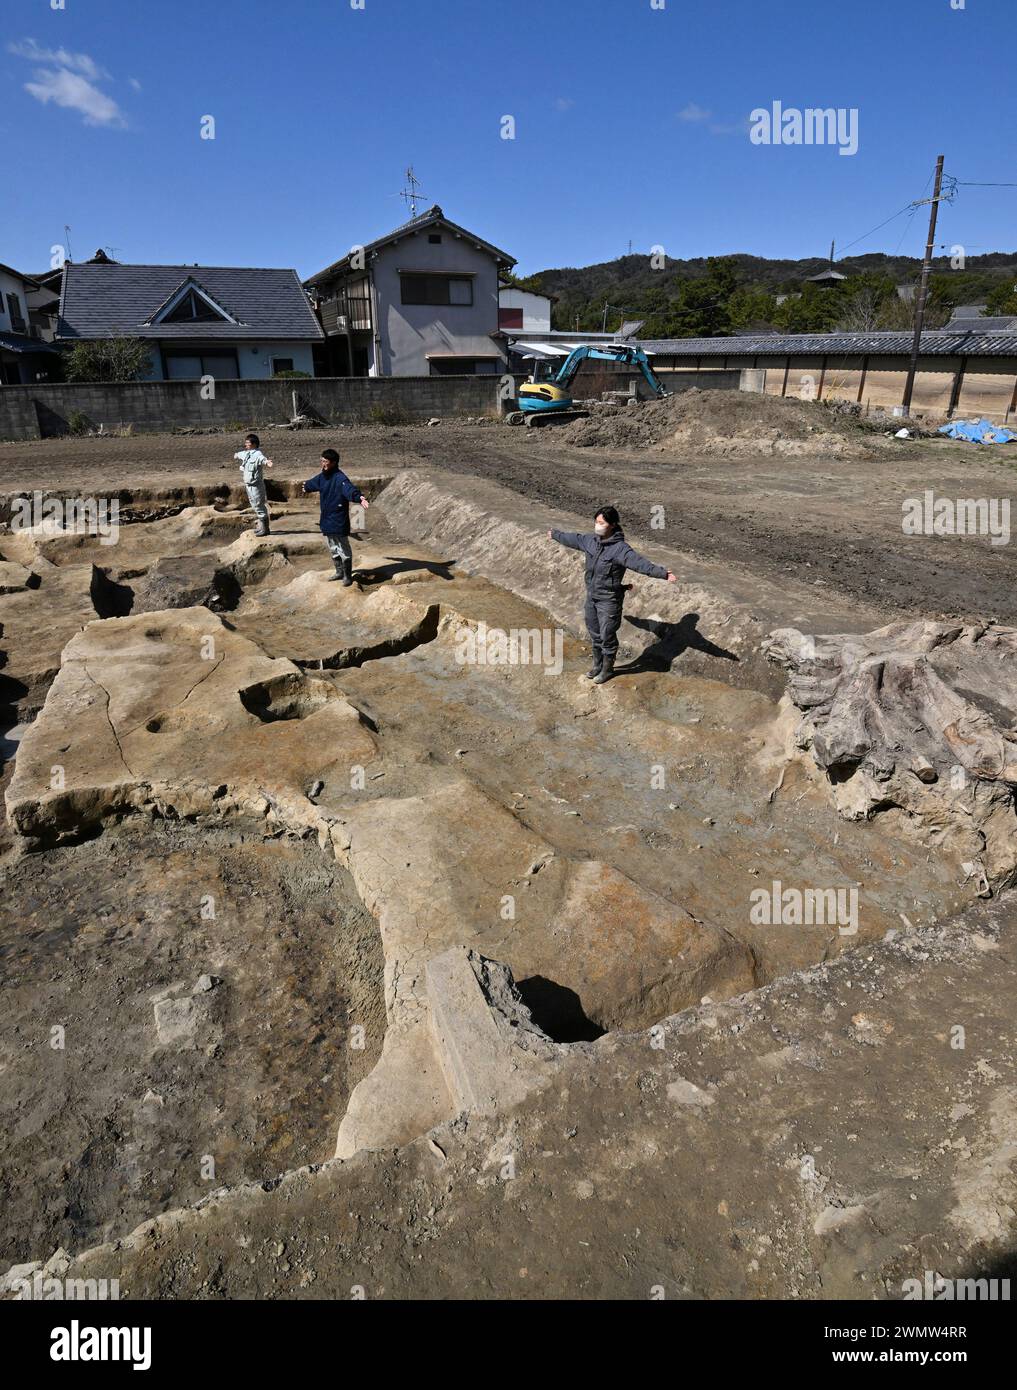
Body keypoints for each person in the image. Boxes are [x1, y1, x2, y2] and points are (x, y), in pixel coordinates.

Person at [548, 505, 676, 684]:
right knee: (594, 633)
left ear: (613, 525)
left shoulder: (620, 549)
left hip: (609, 600)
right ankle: (597, 665)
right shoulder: (590, 541)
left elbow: (640, 564)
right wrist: (555, 534)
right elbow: (573, 539)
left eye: (601, 523)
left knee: (607, 634)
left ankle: (608, 670)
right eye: (596, 522)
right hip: (592, 596)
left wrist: (663, 573)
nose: (597, 526)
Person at [302, 448, 369, 586]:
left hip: (338, 519)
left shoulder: (340, 478)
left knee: (343, 548)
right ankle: (339, 572)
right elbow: (313, 482)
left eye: (325, 461)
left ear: (333, 463)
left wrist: (360, 498)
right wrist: (306, 486)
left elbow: (349, 490)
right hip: (327, 519)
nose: (322, 464)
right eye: (321, 461)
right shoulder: (323, 476)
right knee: (332, 547)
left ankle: (347, 575)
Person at [234, 432, 273, 537]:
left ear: (254, 444)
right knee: (254, 505)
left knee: (259, 505)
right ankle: (261, 527)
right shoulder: (247, 453)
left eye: (248, 443)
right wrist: (236, 455)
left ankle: (265, 529)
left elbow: (262, 459)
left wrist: (267, 462)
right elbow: (240, 454)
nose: (246, 444)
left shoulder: (257, 454)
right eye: (245, 442)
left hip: (256, 486)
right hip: (249, 485)